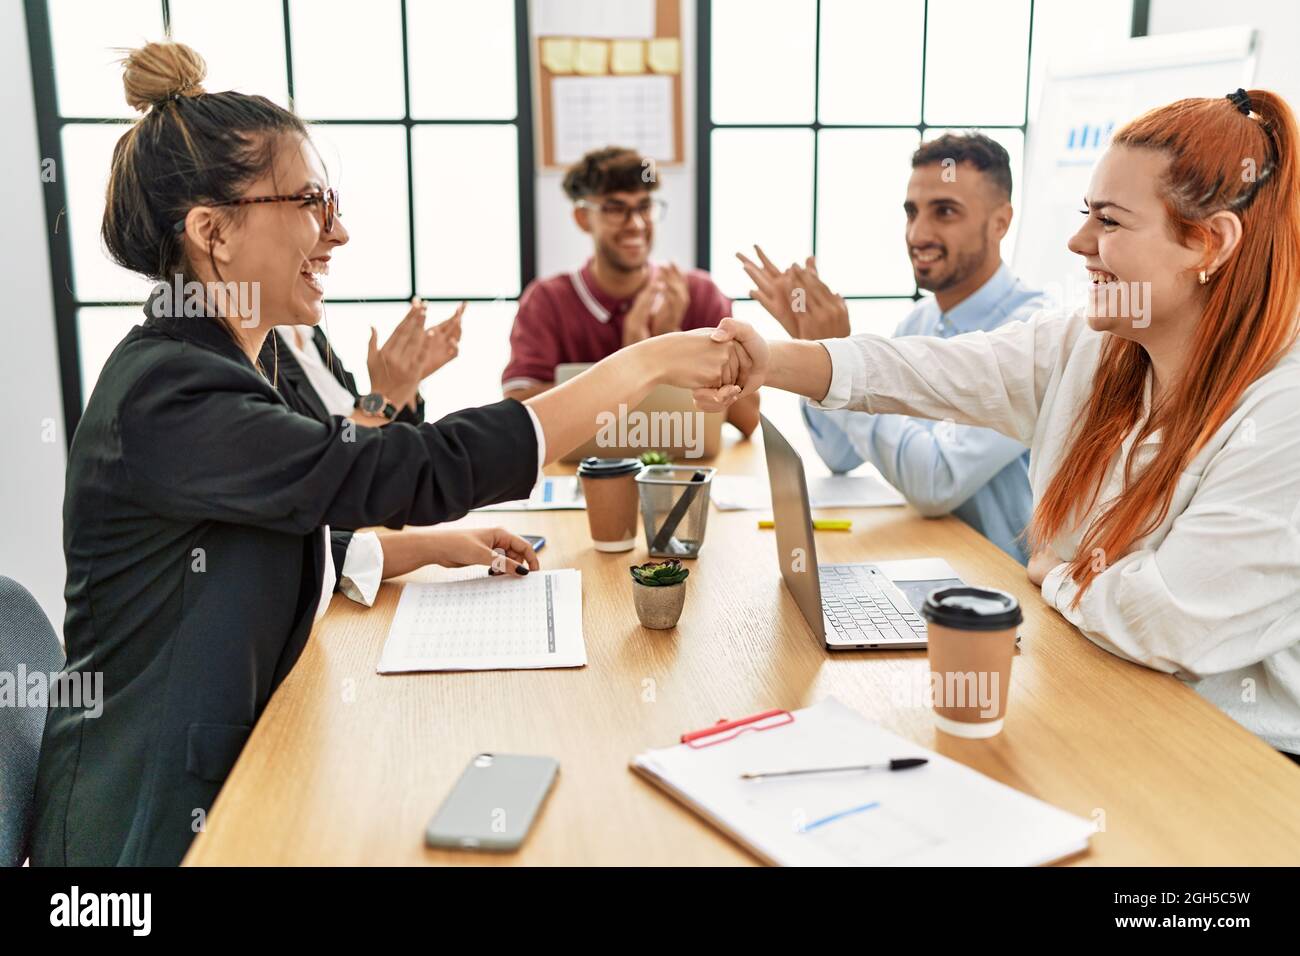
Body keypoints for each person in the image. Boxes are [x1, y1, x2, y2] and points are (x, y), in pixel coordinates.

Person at [32, 42, 753, 866]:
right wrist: (642, 364)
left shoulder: (226, 364)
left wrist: (424, 545)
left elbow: (276, 520)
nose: (338, 230)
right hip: (145, 836)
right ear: (213, 233)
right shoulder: (173, 394)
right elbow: (404, 469)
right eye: (310, 202)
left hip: (234, 771)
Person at [708, 90, 1300, 758]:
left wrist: (1056, 575)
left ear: (1211, 243)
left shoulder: (1285, 411)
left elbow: (1168, 625)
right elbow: (927, 370)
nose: (1079, 243)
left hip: (1242, 761)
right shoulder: (1091, 345)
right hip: (1104, 694)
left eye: (1108, 221)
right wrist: (773, 359)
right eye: (1085, 215)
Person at [739, 133, 1042, 563]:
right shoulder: (919, 322)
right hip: (931, 558)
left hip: (1003, 587)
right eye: (912, 212)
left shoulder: (1030, 333)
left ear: (1000, 222)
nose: (918, 234)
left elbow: (935, 482)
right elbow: (840, 456)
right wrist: (817, 355)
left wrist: (837, 355)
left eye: (945, 212)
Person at [501, 145, 760, 437]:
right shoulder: (546, 302)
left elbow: (749, 418)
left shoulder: (700, 294)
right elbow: (518, 412)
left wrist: (669, 343)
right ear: (583, 218)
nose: (635, 224)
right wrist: (635, 359)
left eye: (644, 207)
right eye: (615, 209)